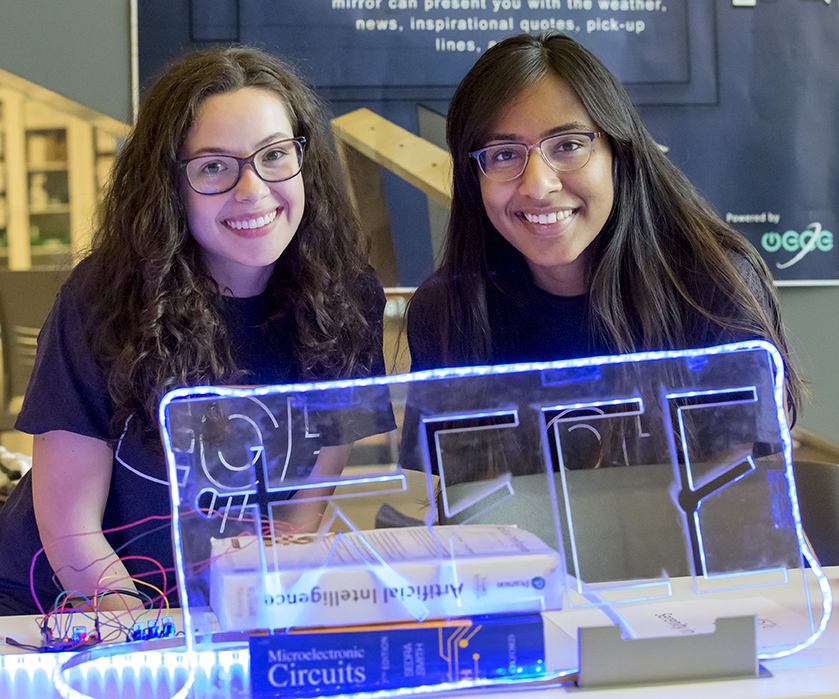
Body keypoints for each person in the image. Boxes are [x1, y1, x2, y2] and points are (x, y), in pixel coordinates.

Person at [0, 46, 392, 616]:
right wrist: (150, 643)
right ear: (169, 185)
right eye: (214, 166)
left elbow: (298, 521)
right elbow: (70, 529)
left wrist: (247, 620)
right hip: (54, 604)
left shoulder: (349, 296)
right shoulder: (101, 298)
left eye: (274, 155)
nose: (252, 190)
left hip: (213, 613)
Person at [407, 32, 802, 420]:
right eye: (504, 154)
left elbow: (744, 475)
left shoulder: (712, 286)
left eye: (568, 145)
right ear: (473, 179)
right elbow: (467, 483)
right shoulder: (445, 312)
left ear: (619, 153)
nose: (539, 186)